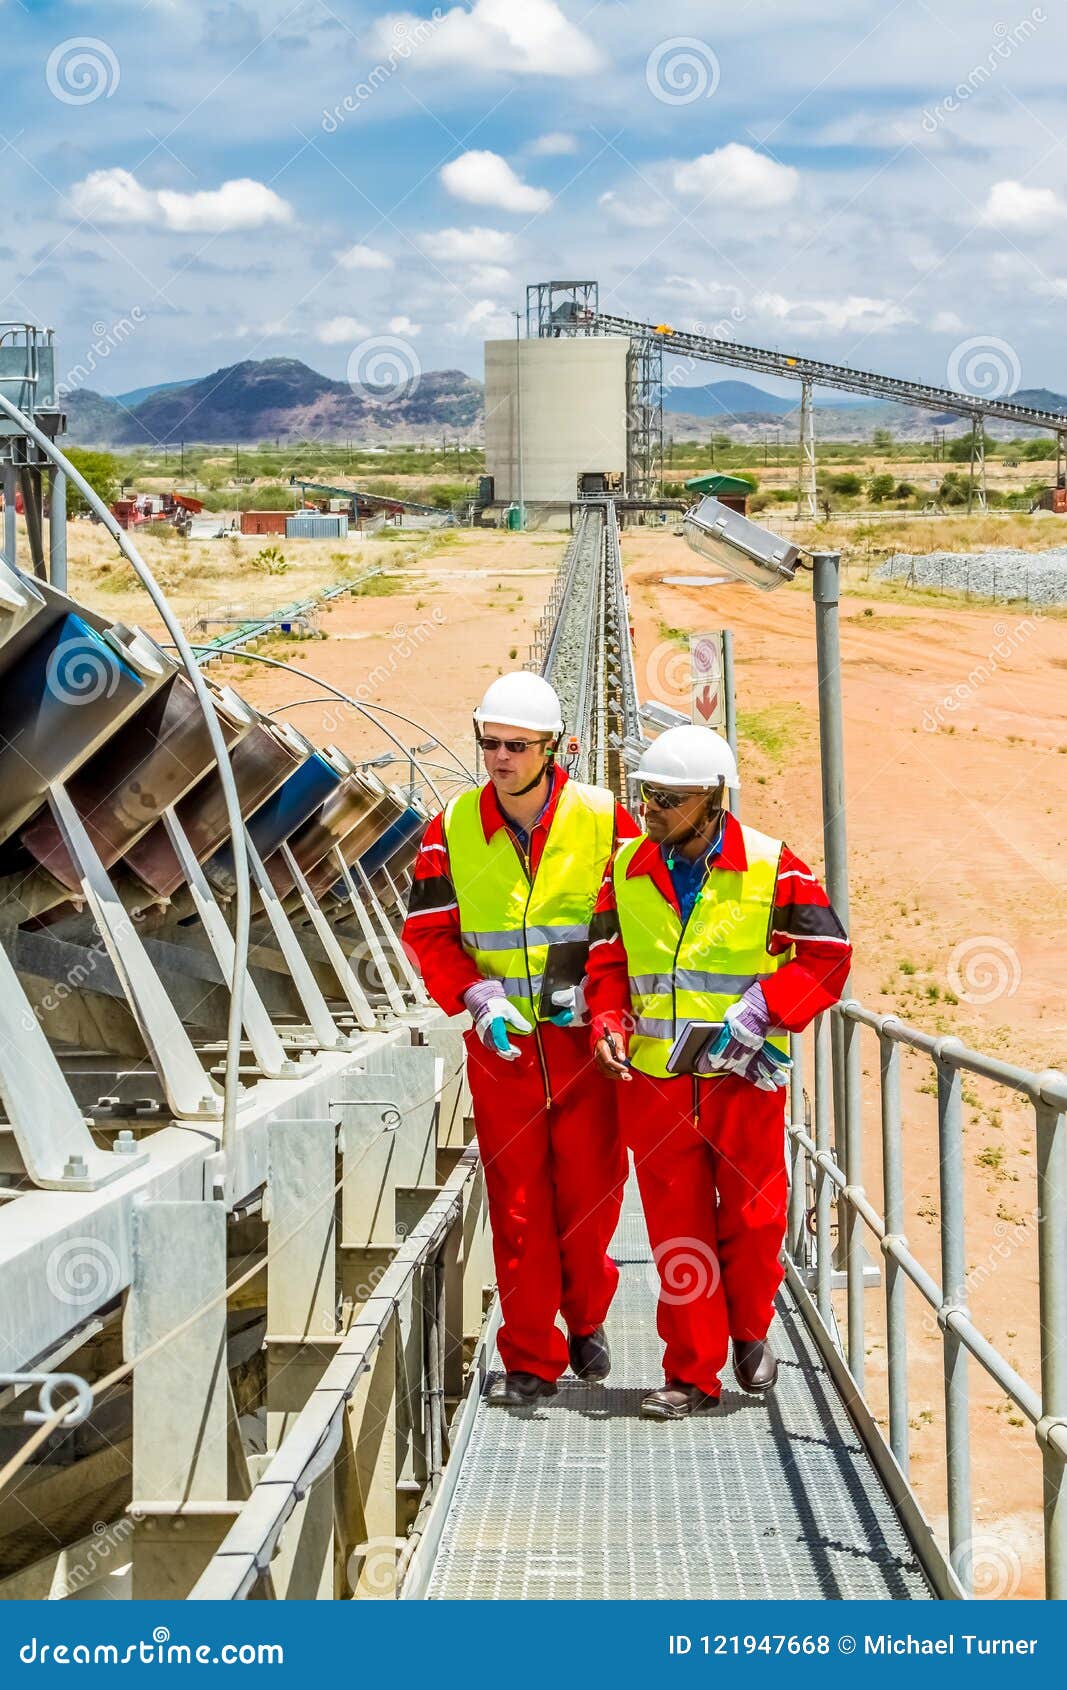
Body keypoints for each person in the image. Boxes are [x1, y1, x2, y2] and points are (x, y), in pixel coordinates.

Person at [586, 725, 851, 1420]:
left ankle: (750, 1328)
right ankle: (691, 1375)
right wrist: (607, 1022)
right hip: (659, 1084)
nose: (649, 811)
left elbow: (828, 953)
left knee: (755, 1219)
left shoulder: (771, 865)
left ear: (711, 802)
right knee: (678, 1232)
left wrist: (765, 1005)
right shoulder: (624, 868)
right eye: (645, 796)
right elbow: (606, 964)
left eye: (666, 800)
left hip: (743, 1079)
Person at [402, 672, 637, 1406]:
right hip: (502, 1046)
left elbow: (634, 931)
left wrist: (610, 1015)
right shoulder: (449, 829)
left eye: (514, 746)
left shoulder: (608, 822)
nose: (498, 758)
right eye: (489, 743)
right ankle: (530, 1355)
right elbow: (428, 932)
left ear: (552, 748)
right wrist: (475, 996)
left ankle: (586, 1317)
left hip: (583, 1045)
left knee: (592, 1195)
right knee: (519, 1204)